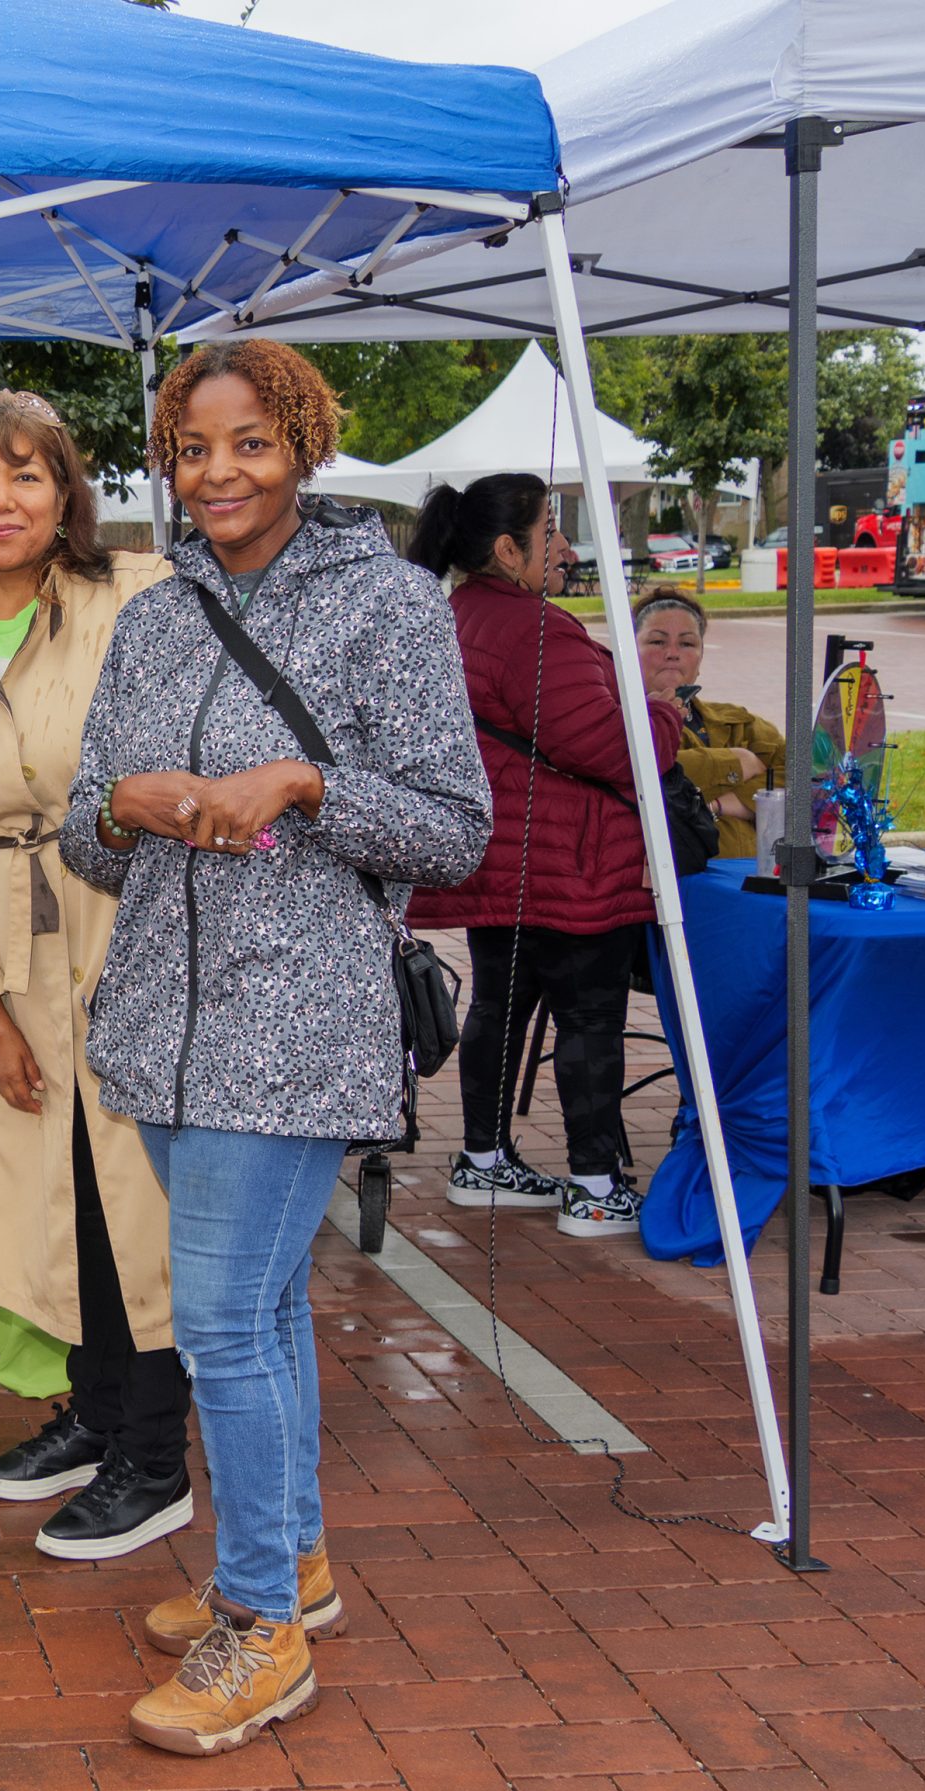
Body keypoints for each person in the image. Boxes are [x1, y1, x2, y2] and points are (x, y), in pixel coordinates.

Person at [63, 341, 490, 1755]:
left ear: (302, 442)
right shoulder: (158, 613)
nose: (220, 473)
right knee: (267, 1308)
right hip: (169, 1025)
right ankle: (292, 1555)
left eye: (250, 442)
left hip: (297, 1020)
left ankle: (265, 1629)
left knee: (224, 1321)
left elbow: (454, 826)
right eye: (193, 447)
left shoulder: (389, 604)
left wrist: (303, 782)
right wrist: (129, 806)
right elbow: (86, 830)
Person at [0, 389, 188, 1562]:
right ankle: (97, 1407)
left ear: (66, 495)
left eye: (26, 474)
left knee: (137, 1200)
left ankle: (154, 1457)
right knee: (53, 1191)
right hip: (16, 946)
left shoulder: (135, 597)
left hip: (138, 919)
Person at [406, 475, 686, 1238]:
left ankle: (484, 1158)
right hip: (570, 860)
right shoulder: (534, 629)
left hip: (504, 854)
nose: (563, 547)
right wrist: (665, 713)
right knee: (588, 1020)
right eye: (550, 531)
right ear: (507, 549)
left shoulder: (454, 616)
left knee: (500, 1005)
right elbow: (605, 746)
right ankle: (595, 1186)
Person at [635, 588, 783, 860]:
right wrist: (740, 762)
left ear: (701, 657)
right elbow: (640, 775)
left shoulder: (739, 723)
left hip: (749, 885)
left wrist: (720, 805)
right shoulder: (615, 722)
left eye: (687, 643)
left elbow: (803, 778)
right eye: (657, 642)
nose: (672, 653)